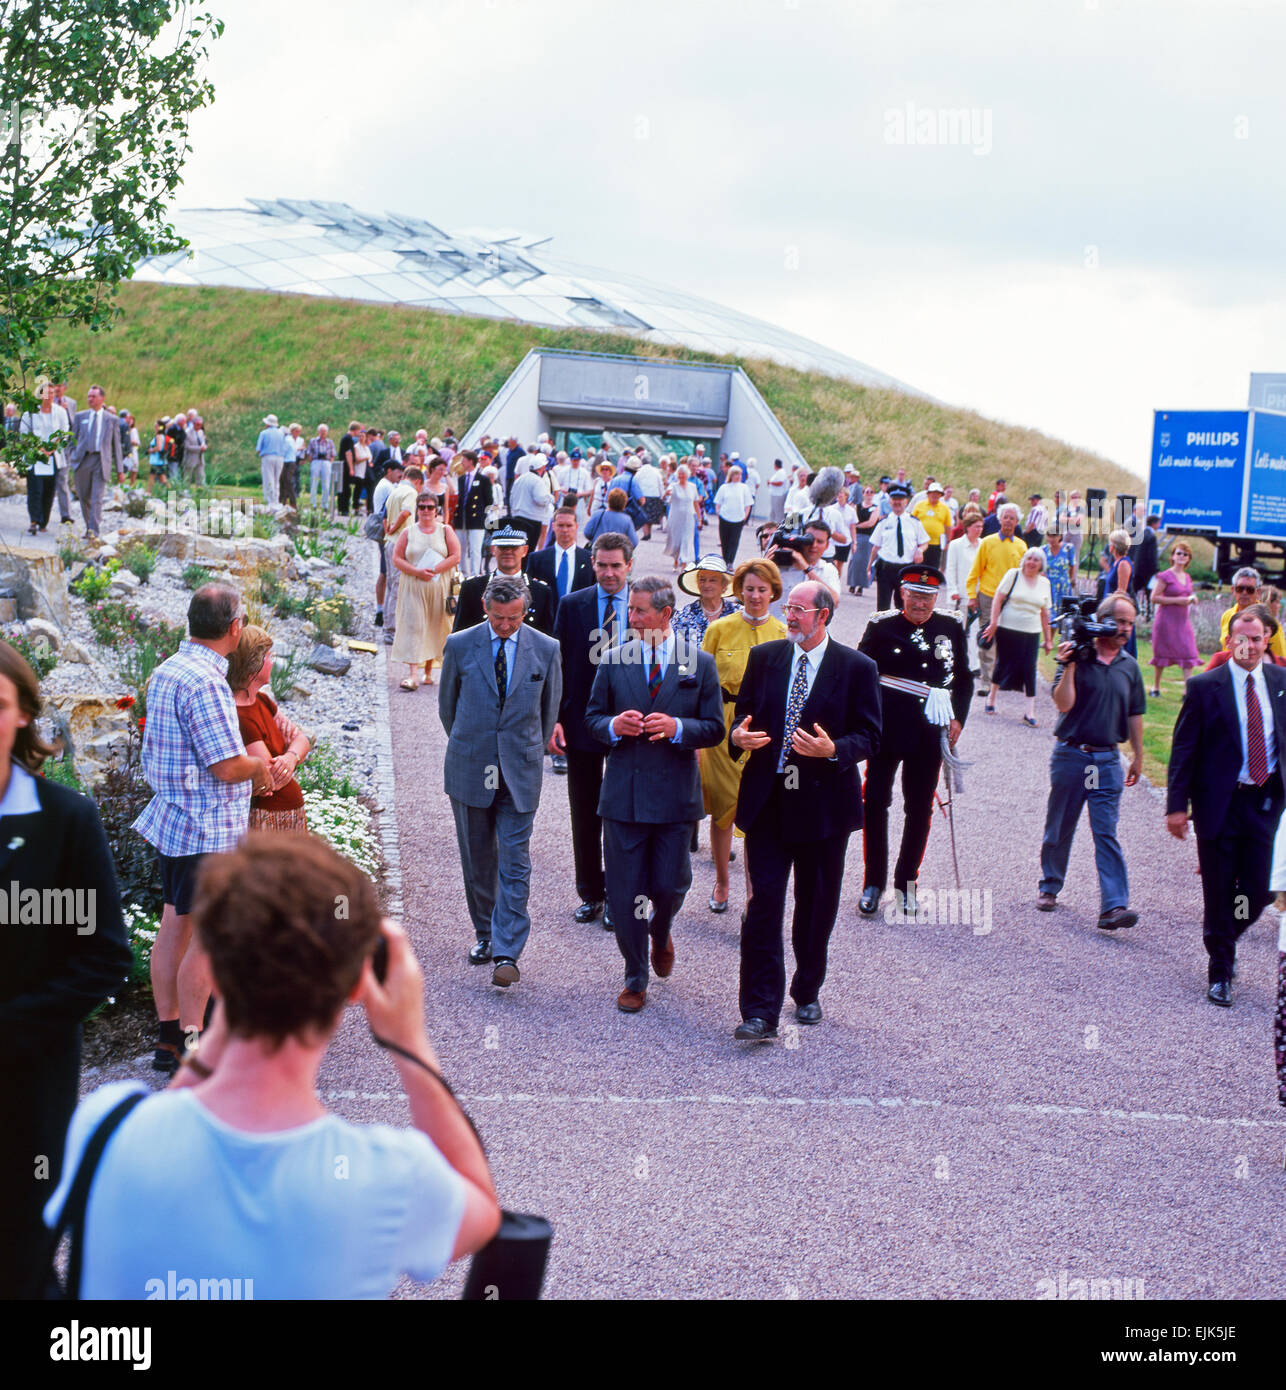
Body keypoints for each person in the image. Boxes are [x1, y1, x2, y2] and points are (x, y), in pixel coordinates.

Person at [45, 836, 501, 1298]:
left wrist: (236, 997)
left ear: (217, 974)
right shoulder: (386, 1178)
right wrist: (409, 1041)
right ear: (358, 985)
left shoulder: (106, 1125)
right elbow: (482, 1208)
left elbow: (177, 1110)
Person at [0, 641, 130, 1299]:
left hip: (28, 1082)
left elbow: (106, 955)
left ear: (22, 714)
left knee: (22, 1259)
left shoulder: (63, 822)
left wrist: (16, 1025)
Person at [730, 583, 881, 1040]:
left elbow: (871, 737)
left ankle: (807, 987)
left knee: (815, 908)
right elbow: (745, 715)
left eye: (799, 609)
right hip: (768, 804)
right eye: (788, 608)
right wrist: (739, 735)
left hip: (823, 812)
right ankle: (759, 1012)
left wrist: (835, 749)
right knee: (762, 906)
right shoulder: (766, 658)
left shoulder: (857, 668)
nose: (789, 616)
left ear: (825, 615)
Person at [133, 585, 271, 1073]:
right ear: (234, 628)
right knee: (206, 940)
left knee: (174, 927)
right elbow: (226, 767)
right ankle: (196, 1050)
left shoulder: (169, 670)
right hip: (208, 830)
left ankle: (169, 1037)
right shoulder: (208, 683)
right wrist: (260, 764)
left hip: (176, 823)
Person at [585, 576, 724, 1014]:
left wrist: (678, 728)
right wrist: (612, 726)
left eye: (640, 611)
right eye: (630, 609)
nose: (631, 617)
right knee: (624, 892)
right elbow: (591, 718)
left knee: (670, 885)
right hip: (623, 796)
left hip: (674, 798)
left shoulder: (698, 664)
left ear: (665, 615)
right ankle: (635, 975)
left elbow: (716, 727)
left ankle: (661, 931)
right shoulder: (611, 659)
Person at [440, 576, 562, 984]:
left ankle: (507, 951)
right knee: (478, 860)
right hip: (469, 766)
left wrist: (525, 750)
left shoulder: (547, 649)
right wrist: (474, 746)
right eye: (498, 618)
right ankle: (485, 934)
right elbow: (447, 709)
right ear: (484, 608)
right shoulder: (459, 645)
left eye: (514, 618)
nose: (506, 625)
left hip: (520, 772)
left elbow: (548, 714)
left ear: (525, 610)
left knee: (515, 861)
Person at [1167, 608, 1286, 1007]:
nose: (1248, 646)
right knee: (1218, 890)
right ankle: (1220, 970)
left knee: (1258, 890)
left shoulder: (1282, 684)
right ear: (1228, 640)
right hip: (1219, 803)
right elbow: (1184, 749)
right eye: (1241, 638)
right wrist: (1176, 806)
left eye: (1256, 638)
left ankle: (1221, 936)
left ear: (1266, 639)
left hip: (1265, 804)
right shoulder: (1205, 687)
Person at [857, 565, 971, 916]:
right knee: (875, 802)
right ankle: (873, 882)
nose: (920, 603)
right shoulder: (882, 625)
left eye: (927, 597)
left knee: (918, 808)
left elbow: (964, 678)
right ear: (902, 594)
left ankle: (907, 883)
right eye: (915, 595)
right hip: (887, 726)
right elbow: (862, 673)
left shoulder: (950, 626)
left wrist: (957, 719)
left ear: (936, 598)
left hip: (927, 730)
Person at [1036, 593, 1145, 930]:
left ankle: (1113, 906)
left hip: (1107, 760)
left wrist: (1138, 756)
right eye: (1121, 621)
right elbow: (1063, 703)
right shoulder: (1078, 655)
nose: (1126, 628)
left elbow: (1135, 713)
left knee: (1106, 833)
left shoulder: (1129, 666)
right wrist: (1067, 665)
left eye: (1130, 622)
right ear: (1105, 620)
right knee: (1060, 826)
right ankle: (1050, 886)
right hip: (1072, 756)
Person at [548, 535, 635, 930]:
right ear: (592, 565)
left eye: (616, 565)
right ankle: (590, 893)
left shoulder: (642, 606)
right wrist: (554, 718)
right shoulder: (572, 605)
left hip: (631, 728)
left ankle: (621, 897)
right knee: (584, 811)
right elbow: (556, 665)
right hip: (581, 722)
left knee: (623, 814)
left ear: (629, 565)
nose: (608, 573)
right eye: (601, 565)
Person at [701, 559, 787, 914]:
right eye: (749, 588)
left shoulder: (783, 632)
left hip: (766, 730)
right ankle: (722, 880)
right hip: (723, 726)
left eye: (762, 590)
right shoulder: (719, 629)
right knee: (724, 809)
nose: (755, 596)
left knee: (761, 812)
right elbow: (701, 683)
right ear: (738, 590)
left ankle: (755, 891)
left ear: (773, 593)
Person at [227, 625, 310, 833]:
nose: (272, 663)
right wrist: (292, 758)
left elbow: (301, 739)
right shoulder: (240, 715)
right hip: (270, 820)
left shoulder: (262, 701)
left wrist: (291, 758)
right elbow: (269, 778)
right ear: (254, 665)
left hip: (283, 815)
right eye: (269, 657)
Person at [391, 491, 461, 690]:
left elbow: (456, 556)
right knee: (414, 626)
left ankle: (428, 672)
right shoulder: (408, 532)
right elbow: (397, 558)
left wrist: (435, 569)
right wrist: (417, 571)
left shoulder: (445, 530)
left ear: (436, 509)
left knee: (436, 626)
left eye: (430, 507)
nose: (426, 511)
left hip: (440, 585)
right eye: (422, 507)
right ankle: (412, 674)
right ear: (417, 509)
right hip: (414, 586)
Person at [982, 547, 1053, 724]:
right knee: (1002, 663)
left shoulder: (1045, 583)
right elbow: (998, 598)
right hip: (1008, 627)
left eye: (1036, 560)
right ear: (1024, 560)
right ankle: (991, 697)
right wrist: (993, 622)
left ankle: (1029, 712)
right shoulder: (1013, 574)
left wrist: (1049, 639)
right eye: (1029, 558)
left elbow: (1045, 613)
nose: (1031, 563)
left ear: (1041, 564)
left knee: (1029, 669)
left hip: (1032, 631)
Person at [966, 502, 1026, 696]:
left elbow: (1024, 576)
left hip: (1011, 599)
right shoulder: (987, 542)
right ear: (1000, 519)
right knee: (987, 639)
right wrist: (972, 596)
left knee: (1007, 639)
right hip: (988, 596)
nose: (1008, 521)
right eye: (1005, 517)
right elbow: (975, 572)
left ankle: (1002, 680)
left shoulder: (1021, 546)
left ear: (1017, 522)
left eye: (1012, 518)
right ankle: (986, 681)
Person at [452, 526, 555, 635]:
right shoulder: (472, 588)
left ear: (524, 550)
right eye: (502, 547)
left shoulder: (541, 591)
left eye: (514, 547)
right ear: (493, 549)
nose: (508, 551)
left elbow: (547, 639)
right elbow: (459, 635)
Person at [68, 384, 123, 537]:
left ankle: (94, 531)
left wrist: (120, 470)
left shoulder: (111, 420)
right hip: (83, 460)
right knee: (84, 496)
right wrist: (72, 456)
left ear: (102, 398)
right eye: (89, 396)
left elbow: (117, 446)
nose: (90, 399)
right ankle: (89, 526)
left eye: (93, 396)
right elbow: (71, 439)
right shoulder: (80, 417)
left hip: (101, 460)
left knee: (97, 497)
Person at [1148, 539, 1201, 697]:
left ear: (1188, 558)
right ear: (1172, 556)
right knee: (1161, 655)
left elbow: (1187, 594)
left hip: (1182, 622)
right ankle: (1155, 687)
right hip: (1165, 621)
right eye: (1179, 553)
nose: (1182, 556)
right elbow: (1154, 598)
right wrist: (1178, 601)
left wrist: (1193, 598)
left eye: (1185, 554)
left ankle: (1188, 691)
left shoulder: (1188, 577)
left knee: (1189, 652)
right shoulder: (1165, 576)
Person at [382, 465, 425, 647]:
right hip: (401, 541)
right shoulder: (410, 492)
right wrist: (395, 527)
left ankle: (389, 626)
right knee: (399, 586)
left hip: (389, 541)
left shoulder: (394, 490)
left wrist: (388, 530)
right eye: (420, 486)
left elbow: (384, 515)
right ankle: (392, 630)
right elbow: (406, 512)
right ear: (418, 481)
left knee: (392, 586)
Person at [19, 382, 71, 534]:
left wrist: (53, 447)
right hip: (35, 456)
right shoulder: (30, 412)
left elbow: (65, 431)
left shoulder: (60, 412)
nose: (50, 397)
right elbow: (24, 433)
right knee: (35, 489)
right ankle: (34, 520)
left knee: (49, 490)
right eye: (47, 393)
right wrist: (39, 447)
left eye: (53, 393)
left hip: (53, 456)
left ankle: (44, 522)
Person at [868, 484, 928, 610]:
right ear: (890, 502)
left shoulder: (914, 522)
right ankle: (882, 629)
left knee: (904, 606)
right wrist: (869, 568)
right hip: (886, 569)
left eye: (900, 499)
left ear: (906, 501)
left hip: (906, 569)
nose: (897, 502)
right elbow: (876, 547)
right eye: (894, 499)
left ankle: (902, 630)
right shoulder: (883, 522)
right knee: (882, 607)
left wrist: (920, 550)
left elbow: (924, 542)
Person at [945, 506, 984, 681]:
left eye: (981, 527)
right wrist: (953, 590)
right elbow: (950, 569)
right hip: (959, 595)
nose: (979, 530)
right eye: (976, 526)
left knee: (975, 630)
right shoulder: (956, 545)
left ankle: (973, 664)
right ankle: (953, 662)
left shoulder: (984, 545)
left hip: (977, 595)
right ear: (967, 527)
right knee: (957, 630)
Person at [528, 505, 592, 608]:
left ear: (576, 526)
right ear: (553, 526)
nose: (565, 530)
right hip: (547, 620)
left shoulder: (589, 559)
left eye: (569, 525)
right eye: (560, 525)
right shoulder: (536, 559)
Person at [1220, 567, 1286, 663]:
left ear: (1258, 592)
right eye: (1240, 589)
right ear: (1233, 590)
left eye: (1250, 590)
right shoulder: (1227, 616)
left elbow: (1281, 659)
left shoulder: (1268, 621)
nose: (1244, 593)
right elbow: (1225, 650)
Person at [673, 555, 741, 647]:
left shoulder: (738, 614)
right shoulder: (683, 616)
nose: (706, 585)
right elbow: (682, 657)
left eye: (712, 580)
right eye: (702, 580)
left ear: (724, 585)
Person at [455, 449, 493, 578]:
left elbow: (489, 500)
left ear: (471, 462)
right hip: (461, 518)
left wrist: (486, 518)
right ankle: (463, 574)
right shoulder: (461, 479)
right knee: (461, 548)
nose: (461, 463)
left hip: (477, 519)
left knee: (475, 549)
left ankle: (474, 575)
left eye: (463, 460)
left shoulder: (483, 480)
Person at [509, 453, 555, 551]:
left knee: (519, 549)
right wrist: (551, 498)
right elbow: (541, 499)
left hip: (518, 517)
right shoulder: (537, 481)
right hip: (532, 519)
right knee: (529, 549)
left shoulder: (520, 478)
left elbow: (512, 497)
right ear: (541, 467)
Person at [712, 464, 754, 568]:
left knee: (734, 541)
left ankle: (730, 561)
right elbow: (718, 502)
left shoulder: (744, 488)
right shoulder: (724, 487)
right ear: (731, 475)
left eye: (740, 474)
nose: (738, 476)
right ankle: (724, 560)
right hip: (725, 517)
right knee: (724, 540)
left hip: (738, 518)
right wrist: (718, 513)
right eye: (736, 474)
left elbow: (748, 504)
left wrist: (745, 516)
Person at [664, 464, 700, 568]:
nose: (681, 476)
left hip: (689, 517)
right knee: (676, 541)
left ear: (687, 475)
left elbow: (696, 503)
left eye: (683, 474)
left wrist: (699, 518)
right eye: (679, 474)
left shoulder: (692, 487)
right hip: (676, 517)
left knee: (687, 540)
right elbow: (666, 495)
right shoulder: (673, 486)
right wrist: (667, 493)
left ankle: (684, 562)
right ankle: (676, 558)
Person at [847, 485, 880, 595]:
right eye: (867, 492)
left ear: (873, 494)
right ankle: (852, 583)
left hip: (867, 538)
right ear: (863, 493)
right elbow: (851, 518)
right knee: (854, 560)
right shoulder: (857, 506)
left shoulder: (875, 508)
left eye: (871, 492)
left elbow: (871, 522)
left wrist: (857, 526)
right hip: (856, 536)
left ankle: (861, 586)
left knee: (865, 562)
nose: (869, 494)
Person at [911, 481, 951, 571]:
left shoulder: (945, 508)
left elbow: (948, 526)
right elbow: (912, 522)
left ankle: (930, 584)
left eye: (938, 493)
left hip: (936, 543)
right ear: (928, 494)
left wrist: (948, 541)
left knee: (932, 568)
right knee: (918, 567)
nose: (935, 495)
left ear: (941, 495)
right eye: (933, 493)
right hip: (920, 543)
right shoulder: (919, 505)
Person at [256, 414, 287, 508]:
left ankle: (270, 501)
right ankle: (276, 500)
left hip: (268, 456)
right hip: (280, 457)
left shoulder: (264, 433)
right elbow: (285, 447)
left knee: (268, 479)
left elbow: (258, 448)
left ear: (268, 424)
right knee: (276, 479)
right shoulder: (281, 433)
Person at [1042, 527, 1077, 612]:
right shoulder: (1043, 550)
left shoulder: (1068, 548)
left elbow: (1073, 565)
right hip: (1048, 585)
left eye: (1054, 536)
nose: (1052, 539)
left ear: (1060, 536)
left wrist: (1071, 579)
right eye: (1049, 536)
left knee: (1063, 611)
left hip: (1063, 585)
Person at [307, 424, 337, 512]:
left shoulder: (330, 442)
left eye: (324, 431)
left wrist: (329, 462)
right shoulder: (313, 441)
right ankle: (313, 503)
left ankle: (325, 504)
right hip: (316, 460)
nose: (323, 433)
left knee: (326, 483)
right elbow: (309, 452)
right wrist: (312, 461)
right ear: (318, 432)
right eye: (321, 431)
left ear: (326, 432)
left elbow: (333, 454)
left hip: (326, 461)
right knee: (314, 482)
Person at [279, 423, 304, 509]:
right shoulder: (289, 439)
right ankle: (283, 500)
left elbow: (283, 451)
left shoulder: (287, 440)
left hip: (288, 462)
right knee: (284, 481)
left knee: (287, 481)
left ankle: (290, 501)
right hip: (289, 461)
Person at [181, 413, 208, 488]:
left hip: (200, 458)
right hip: (190, 458)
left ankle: (201, 492)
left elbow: (203, 442)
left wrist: (204, 447)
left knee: (201, 476)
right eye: (198, 424)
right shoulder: (187, 432)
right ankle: (185, 492)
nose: (199, 426)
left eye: (201, 424)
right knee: (187, 477)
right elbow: (187, 447)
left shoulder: (201, 432)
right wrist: (199, 448)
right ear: (193, 424)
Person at [767, 460, 789, 524]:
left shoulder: (781, 472)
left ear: (775, 465)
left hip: (778, 495)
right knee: (773, 511)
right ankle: (771, 524)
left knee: (778, 512)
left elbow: (780, 483)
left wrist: (770, 482)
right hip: (775, 494)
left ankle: (779, 525)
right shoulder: (778, 472)